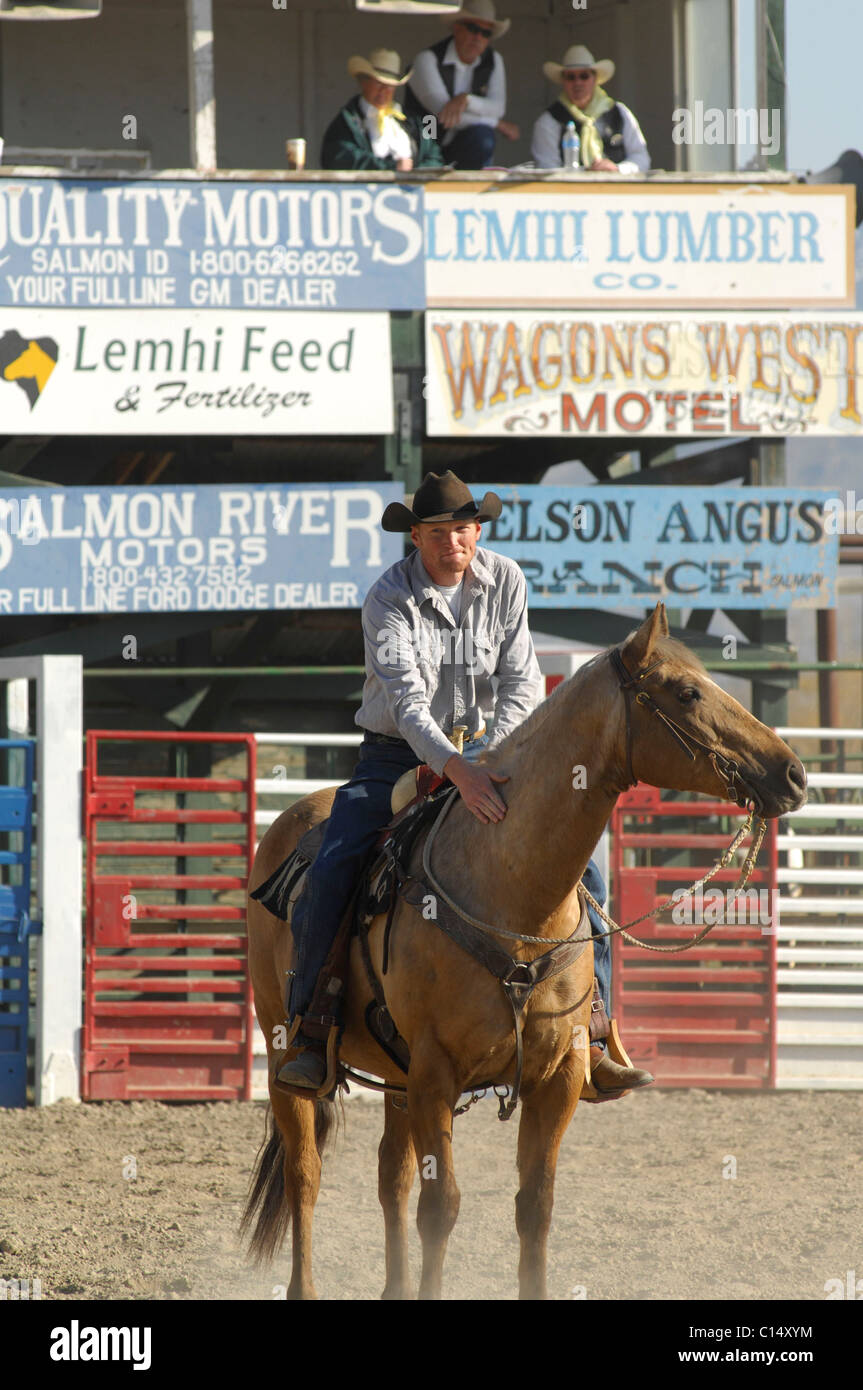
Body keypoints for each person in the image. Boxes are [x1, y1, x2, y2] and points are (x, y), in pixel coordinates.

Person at [276, 471, 654, 1101]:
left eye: (462, 529)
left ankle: (592, 1032)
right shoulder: (387, 598)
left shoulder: (505, 579)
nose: (452, 541)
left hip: (491, 750)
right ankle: (312, 1026)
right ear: (416, 537)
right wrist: (456, 768)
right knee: (337, 857)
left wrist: (495, 756)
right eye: (437, 532)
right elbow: (405, 701)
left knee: (587, 867)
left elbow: (522, 681)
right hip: (396, 756)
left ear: (477, 531)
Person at [405, 0, 519, 170]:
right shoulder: (428, 59)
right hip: (426, 143)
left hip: (463, 145)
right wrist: (497, 124)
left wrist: (466, 100)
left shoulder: (494, 60)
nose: (478, 38)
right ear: (457, 28)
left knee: (483, 138)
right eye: (473, 29)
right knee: (480, 132)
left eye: (486, 33)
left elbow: (497, 108)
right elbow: (446, 117)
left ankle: (476, 193)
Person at [531, 44, 650, 173]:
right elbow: (547, 169)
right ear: (563, 81)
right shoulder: (549, 121)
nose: (578, 83)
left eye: (584, 76)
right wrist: (586, 173)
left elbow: (641, 158)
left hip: (617, 191)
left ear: (595, 79)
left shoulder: (620, 113)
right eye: (571, 77)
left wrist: (617, 169)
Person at [321, 47, 444, 172]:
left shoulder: (415, 121)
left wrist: (415, 172)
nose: (384, 91)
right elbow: (338, 157)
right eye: (378, 83)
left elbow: (434, 156)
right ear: (364, 82)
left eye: (390, 86)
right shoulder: (348, 120)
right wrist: (390, 167)